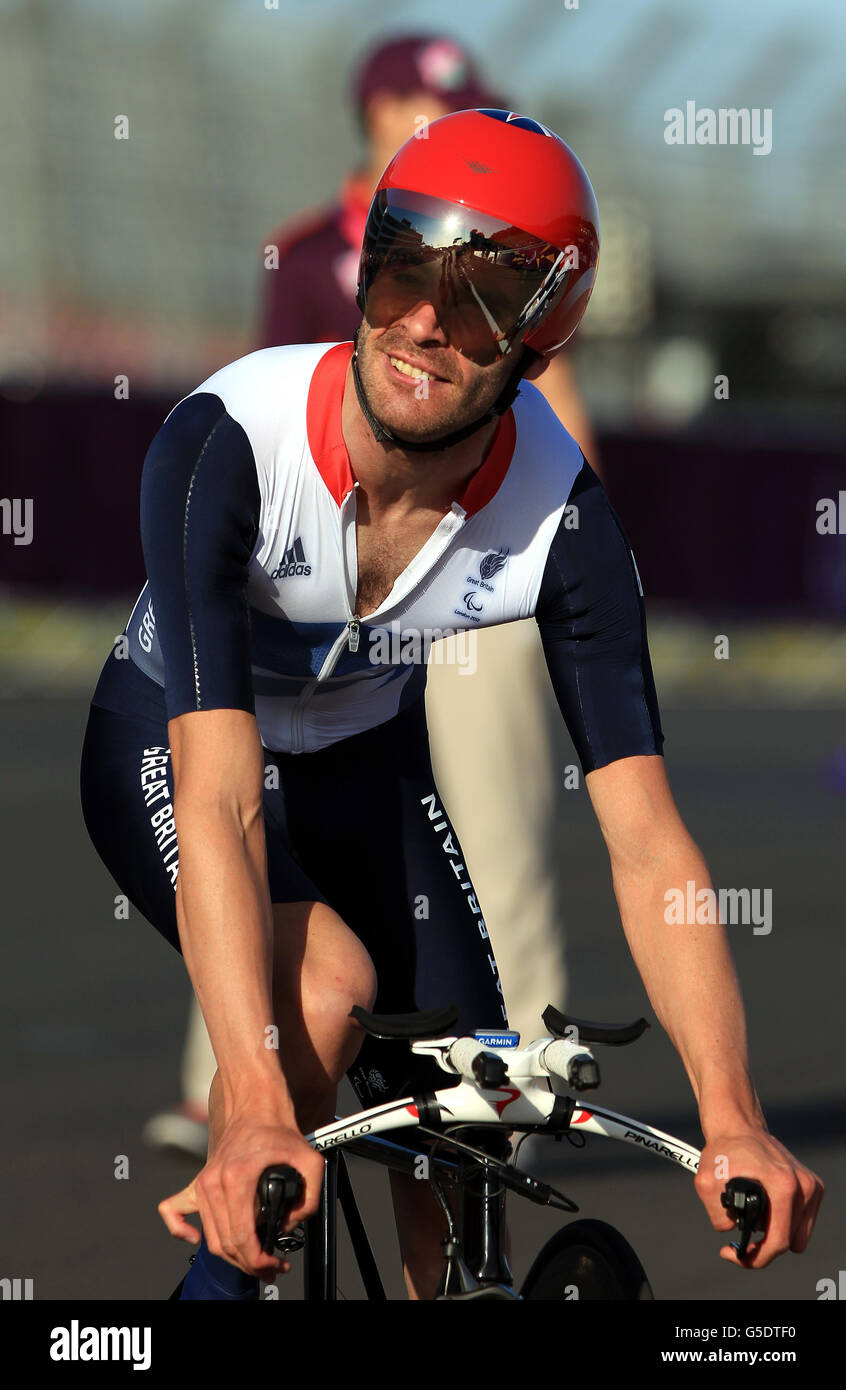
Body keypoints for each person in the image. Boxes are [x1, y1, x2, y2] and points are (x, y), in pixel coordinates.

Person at [80, 109, 821, 1301]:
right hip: (177, 754)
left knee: (470, 1108)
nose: (425, 319)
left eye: (482, 298)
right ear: (366, 269)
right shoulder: (227, 440)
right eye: (405, 268)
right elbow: (219, 804)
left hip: (366, 759)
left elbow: (649, 845)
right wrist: (256, 1113)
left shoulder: (561, 519)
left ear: (542, 342)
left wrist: (732, 1116)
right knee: (320, 1001)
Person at [143, 33, 599, 1161]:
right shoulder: (308, 250)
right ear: (376, 108)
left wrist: (558, 545)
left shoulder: (507, 240)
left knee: (495, 822)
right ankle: (231, 1075)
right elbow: (276, 411)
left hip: (468, 561)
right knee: (250, 809)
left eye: (464, 108)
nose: (447, 126)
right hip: (328, 566)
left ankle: (510, 1073)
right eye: (425, 104)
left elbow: (557, 409)